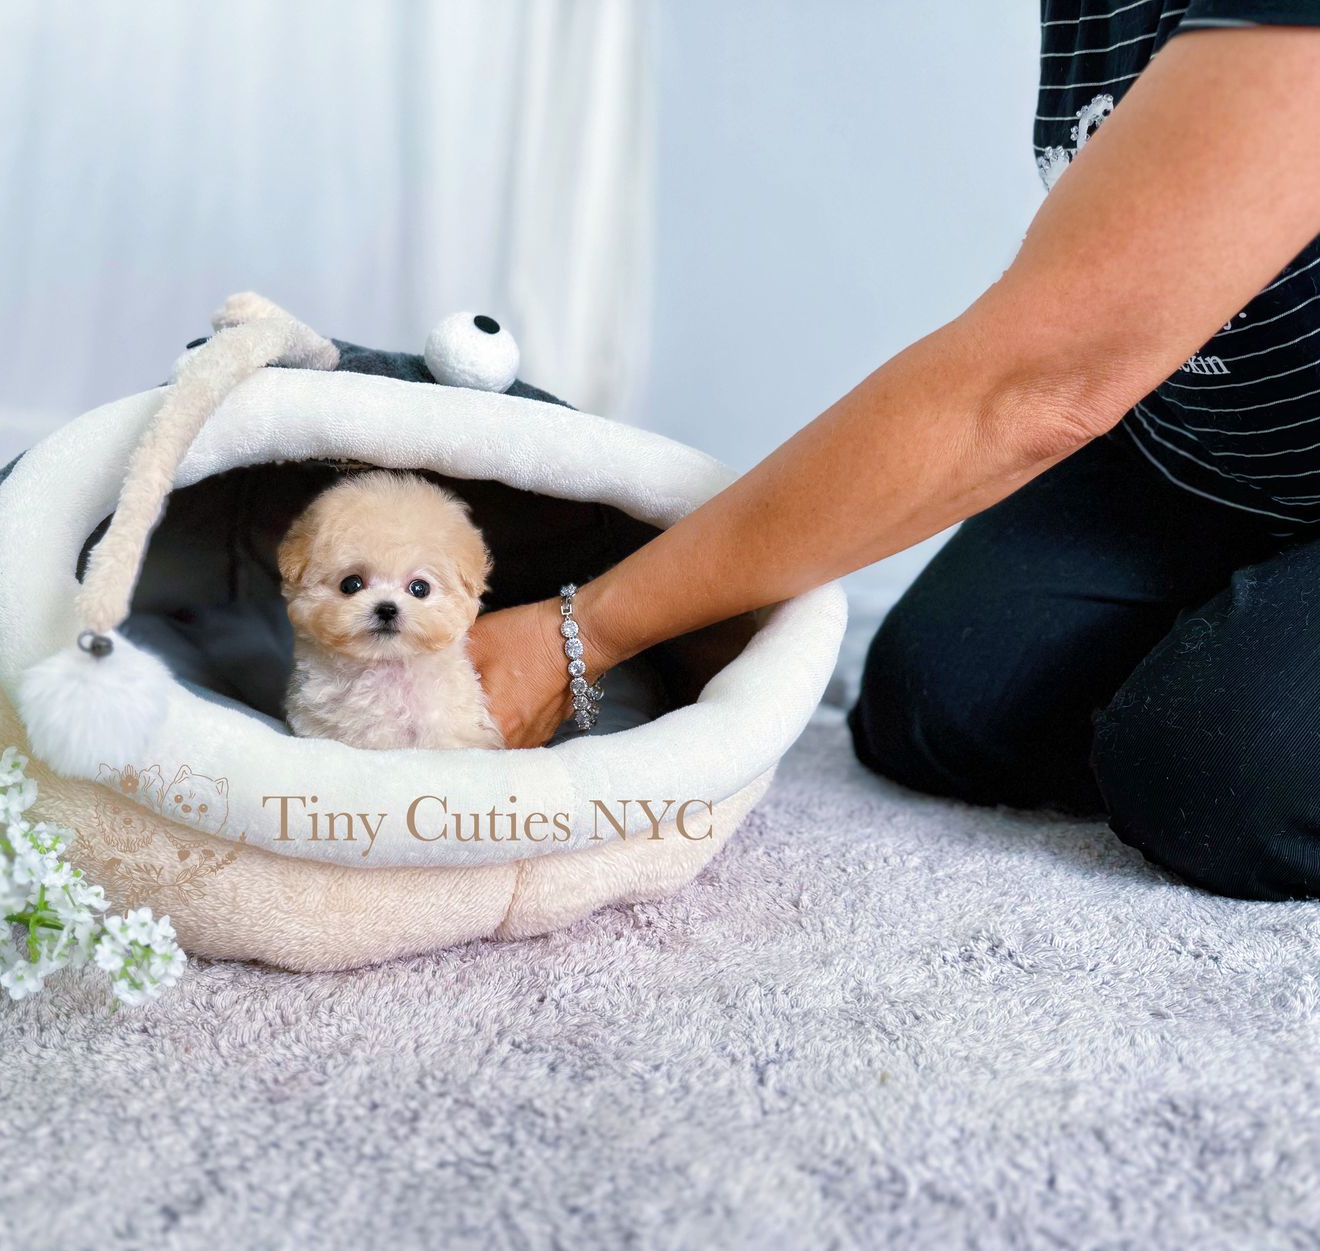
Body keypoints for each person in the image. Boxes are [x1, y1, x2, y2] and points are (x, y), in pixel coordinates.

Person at [469, 2, 1320, 902]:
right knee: (931, 710)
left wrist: (587, 630)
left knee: (1217, 784)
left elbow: (1031, 389)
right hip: (1203, 455)